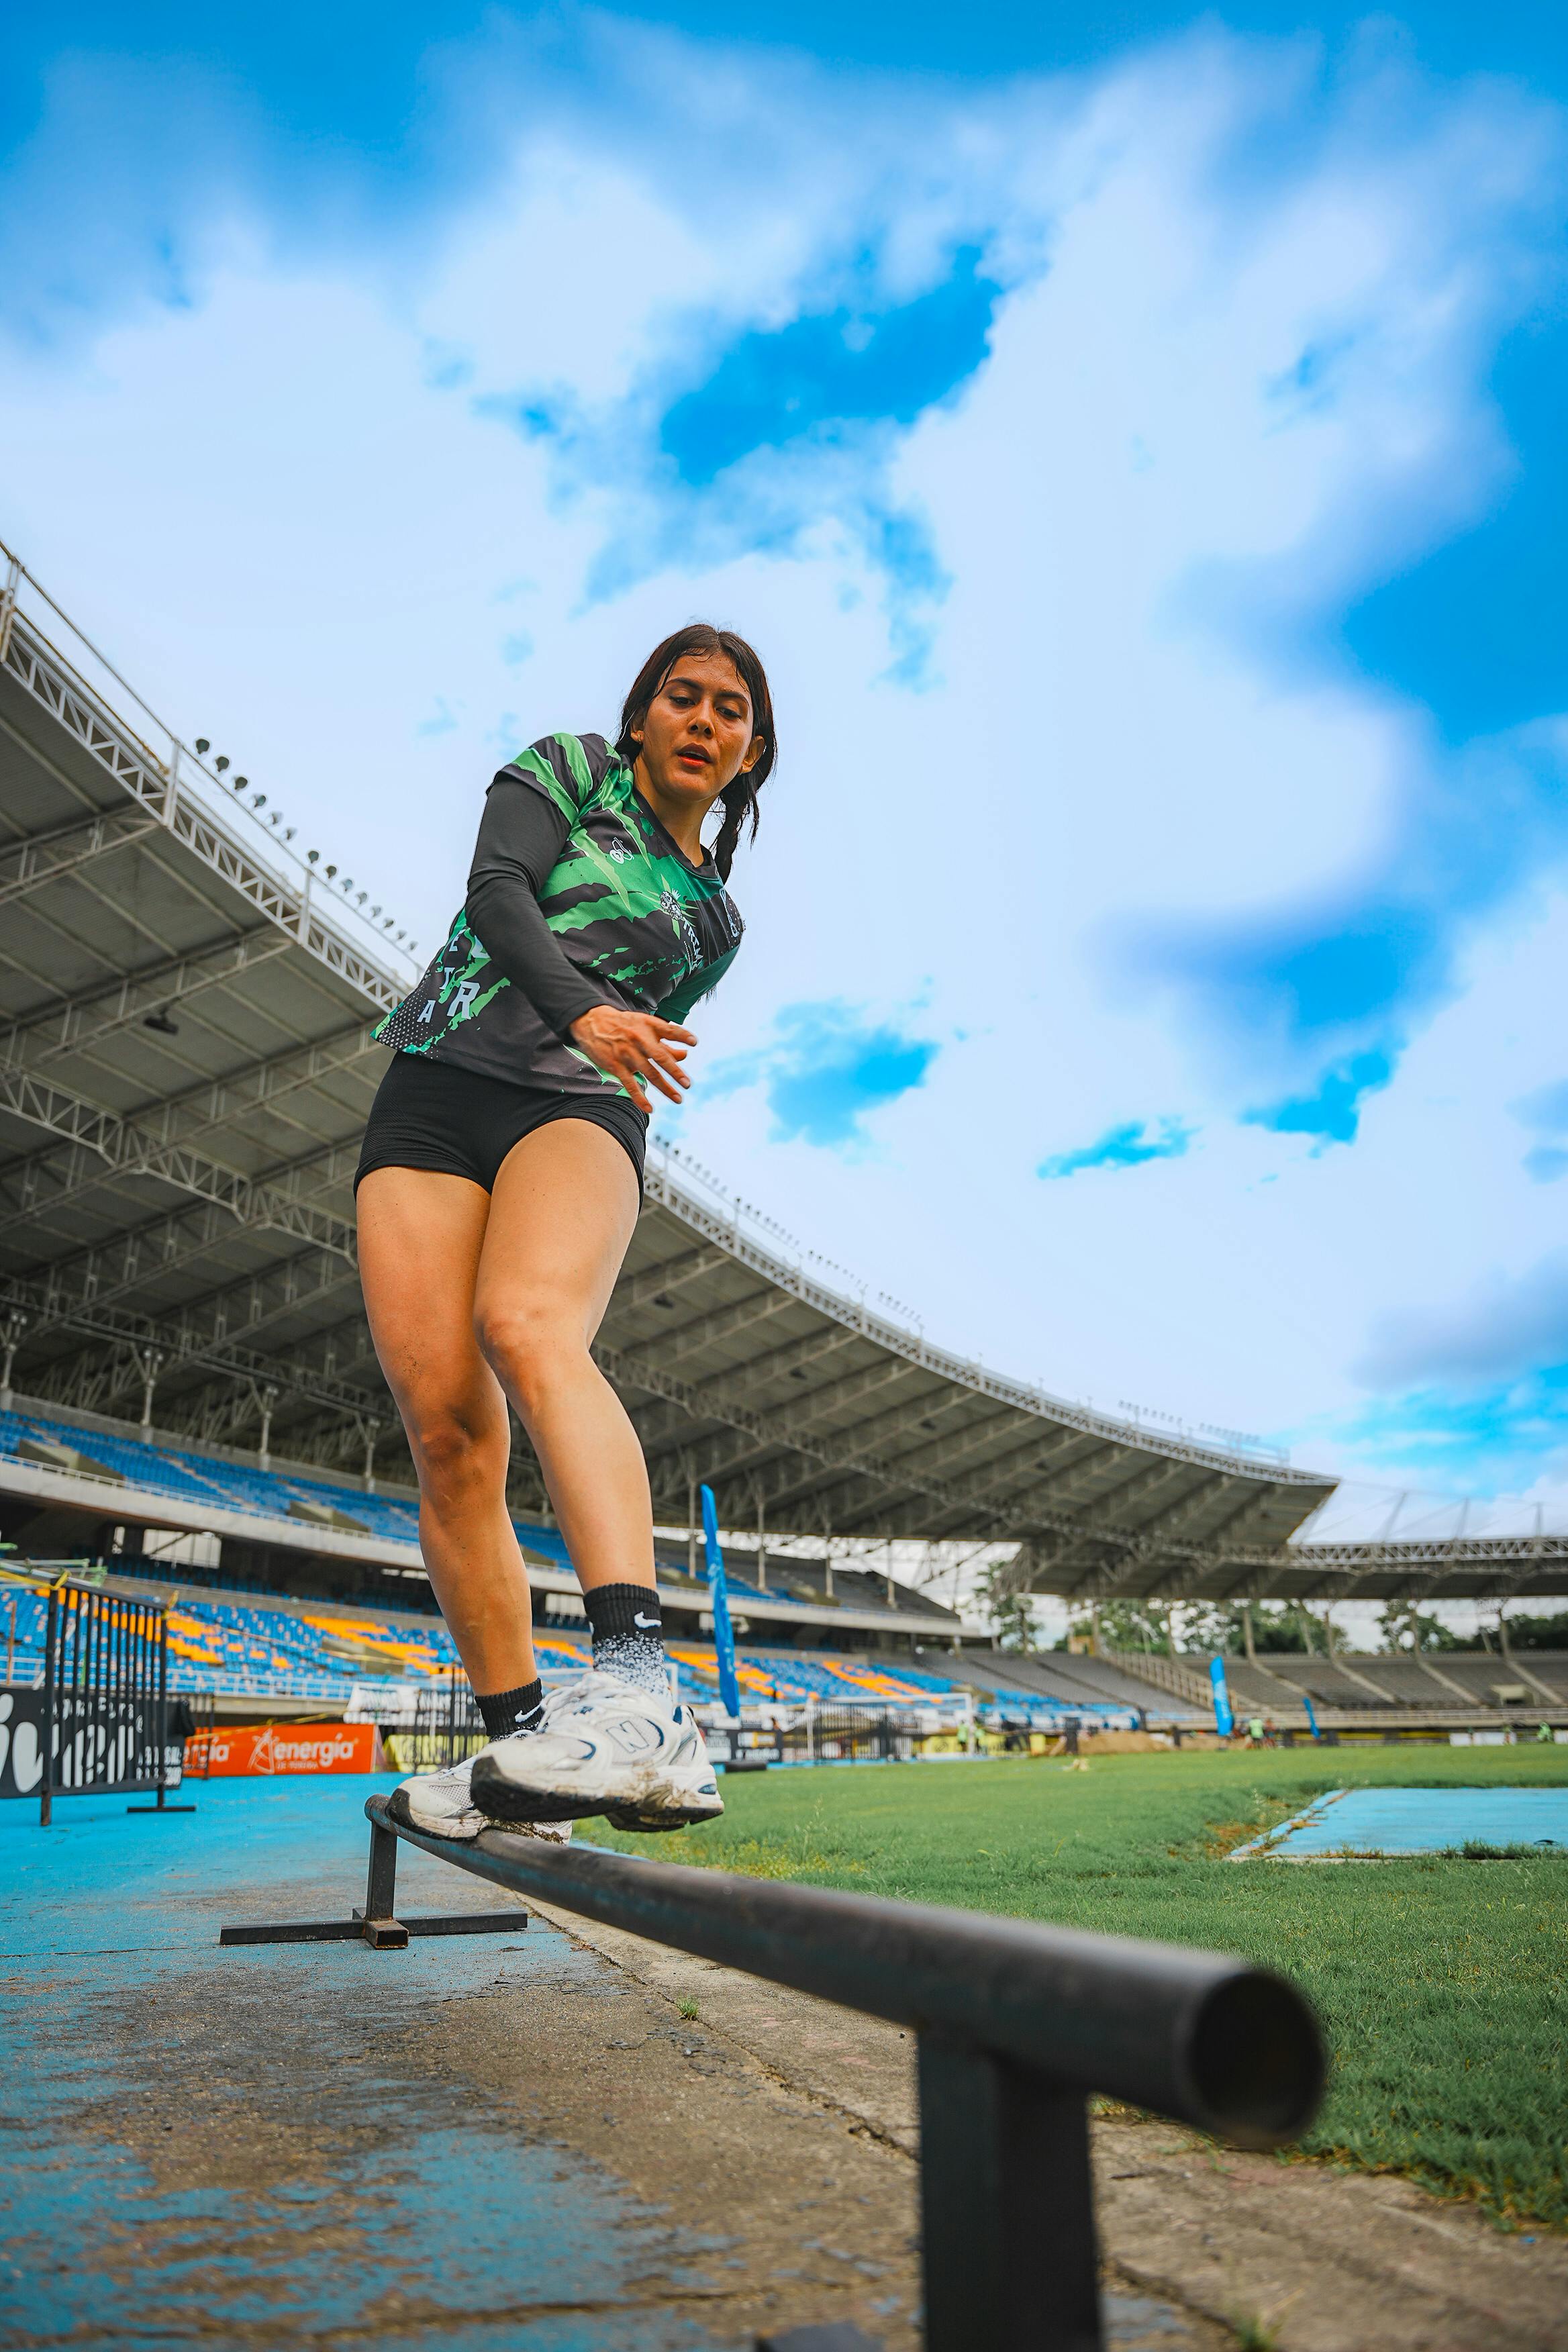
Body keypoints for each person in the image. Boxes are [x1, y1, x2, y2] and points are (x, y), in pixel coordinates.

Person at [354, 624, 775, 1840]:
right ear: (641, 716)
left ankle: (641, 1690)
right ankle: (519, 1760)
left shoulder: (715, 919)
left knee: (528, 1322)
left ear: (751, 752)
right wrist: (587, 1007)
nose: (703, 719)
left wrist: (595, 1030)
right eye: (681, 697)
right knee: (446, 1431)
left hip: (581, 1107)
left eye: (730, 710)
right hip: (435, 1089)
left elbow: (635, 1028)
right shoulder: (569, 767)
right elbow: (495, 895)